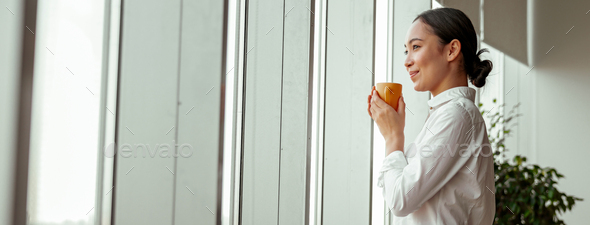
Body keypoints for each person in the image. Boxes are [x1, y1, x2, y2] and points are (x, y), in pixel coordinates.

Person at [367, 8, 496, 224]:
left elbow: (400, 200)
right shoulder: (448, 114)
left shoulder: (456, 114)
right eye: (405, 51)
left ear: (452, 50)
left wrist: (393, 138)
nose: (407, 61)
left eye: (415, 47)